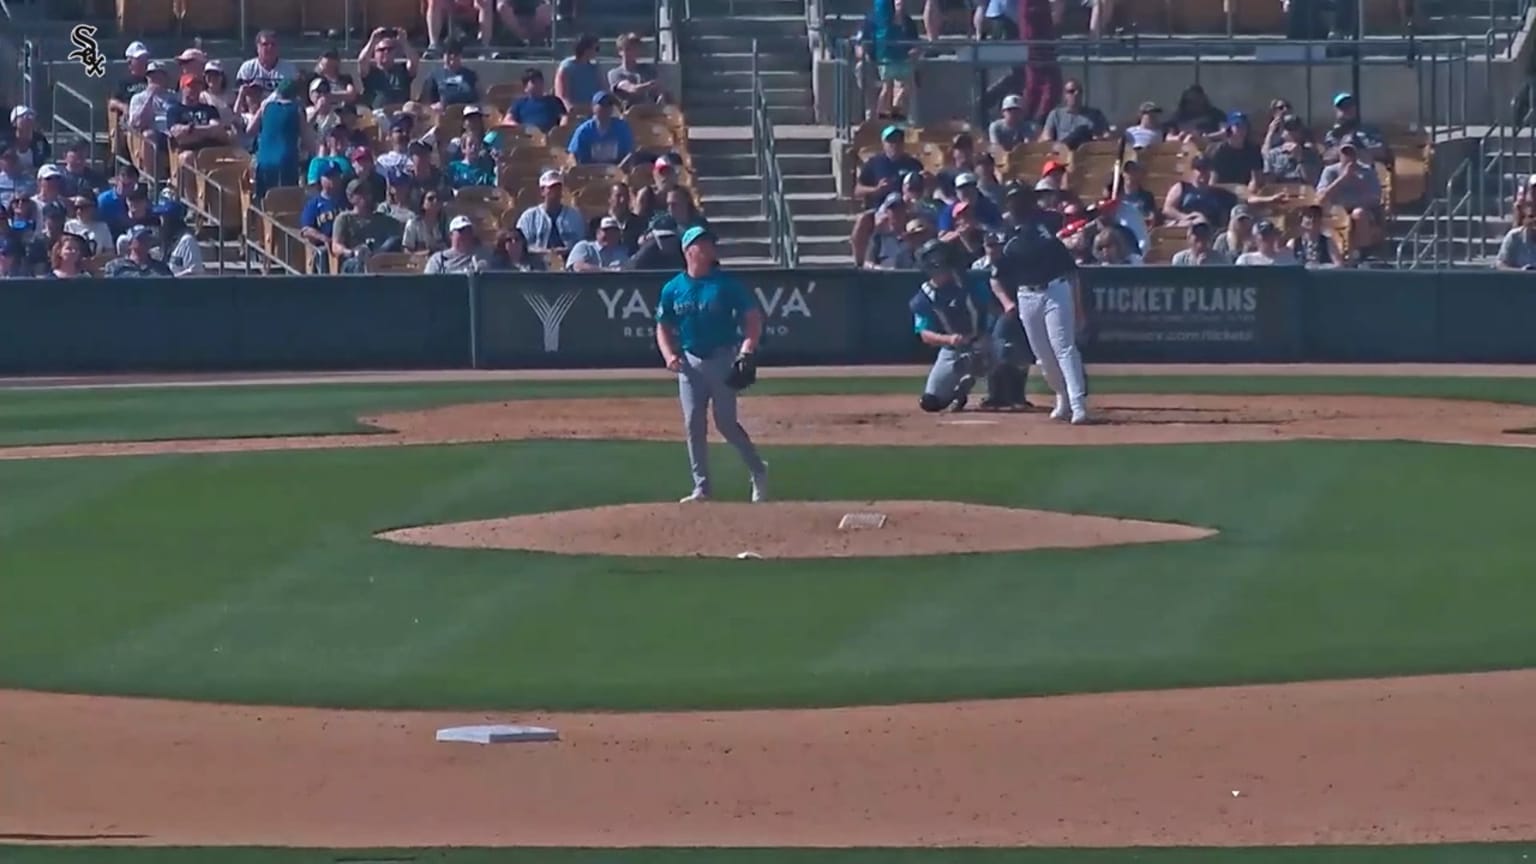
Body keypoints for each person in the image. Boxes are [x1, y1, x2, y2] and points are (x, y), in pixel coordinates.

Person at [654, 226, 770, 504]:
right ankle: (701, 487)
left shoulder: (725, 284)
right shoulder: (673, 288)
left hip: (721, 359)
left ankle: (758, 469)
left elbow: (752, 317)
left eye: (710, 243)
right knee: (693, 424)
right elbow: (662, 325)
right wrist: (668, 355)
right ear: (688, 250)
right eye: (702, 243)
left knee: (726, 423)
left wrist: (747, 348)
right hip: (689, 363)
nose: (708, 247)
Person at [989, 181, 1090, 424]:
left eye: (1021, 198)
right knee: (1042, 355)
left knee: (1063, 347)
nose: (1017, 204)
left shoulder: (1045, 225)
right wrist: (1005, 299)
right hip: (1027, 295)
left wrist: (1078, 308)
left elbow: (1071, 271)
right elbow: (996, 275)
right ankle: (1061, 396)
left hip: (1055, 289)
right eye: (1013, 199)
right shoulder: (1006, 234)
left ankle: (1078, 404)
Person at [909, 238, 992, 413]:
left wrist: (986, 338)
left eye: (942, 261)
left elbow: (993, 310)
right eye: (935, 263)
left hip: (983, 341)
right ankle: (958, 392)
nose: (940, 268)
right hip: (952, 350)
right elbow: (924, 333)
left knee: (1007, 351)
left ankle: (1002, 391)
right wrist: (949, 339)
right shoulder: (923, 297)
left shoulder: (969, 283)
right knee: (930, 402)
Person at [850, 125, 924, 266]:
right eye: (891, 141)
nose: (895, 144)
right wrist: (876, 189)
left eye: (898, 140)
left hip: (907, 209)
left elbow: (922, 189)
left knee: (919, 224)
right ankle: (859, 264)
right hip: (880, 208)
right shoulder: (874, 163)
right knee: (863, 221)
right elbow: (857, 191)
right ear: (883, 143)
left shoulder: (913, 164)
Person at [856, 0, 922, 120]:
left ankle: (898, 115)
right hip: (876, 61)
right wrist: (866, 55)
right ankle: (875, 116)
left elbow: (915, 45)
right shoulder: (871, 20)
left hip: (901, 61)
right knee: (882, 81)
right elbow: (859, 46)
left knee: (905, 82)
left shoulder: (908, 22)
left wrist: (914, 52)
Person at [249, 79, 310, 198]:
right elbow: (308, 141)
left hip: (264, 160)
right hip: (286, 161)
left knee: (264, 198)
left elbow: (250, 130)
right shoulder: (297, 110)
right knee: (285, 199)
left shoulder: (266, 107)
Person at [330, 179, 403, 272]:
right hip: (354, 260)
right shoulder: (344, 219)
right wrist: (352, 252)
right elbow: (336, 246)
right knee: (358, 264)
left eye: (366, 192)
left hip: (380, 259)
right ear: (350, 198)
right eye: (359, 193)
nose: (364, 196)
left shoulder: (382, 219)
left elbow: (395, 239)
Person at [516, 169, 586, 253]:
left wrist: (567, 250)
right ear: (542, 191)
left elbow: (582, 244)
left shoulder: (574, 216)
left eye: (558, 187)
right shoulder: (528, 217)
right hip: (536, 258)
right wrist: (543, 252)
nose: (555, 191)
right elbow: (520, 245)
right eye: (551, 188)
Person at [1162, 157, 1238, 228]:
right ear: (1192, 171)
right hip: (1186, 226)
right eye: (1199, 169)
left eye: (1205, 169)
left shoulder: (1219, 194)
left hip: (1210, 229)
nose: (1202, 173)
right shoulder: (1182, 187)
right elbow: (1167, 209)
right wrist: (1184, 217)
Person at [300, 163, 349, 269]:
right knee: (323, 252)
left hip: (347, 243)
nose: (334, 180)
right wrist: (324, 239)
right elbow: (306, 230)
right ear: (321, 180)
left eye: (336, 176)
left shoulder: (347, 201)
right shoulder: (314, 204)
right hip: (325, 246)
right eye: (329, 177)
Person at [358, 29, 420, 111]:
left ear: (395, 52)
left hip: (400, 114)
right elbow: (362, 60)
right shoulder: (370, 72)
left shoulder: (403, 70)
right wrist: (372, 40)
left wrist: (404, 42)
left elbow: (414, 61)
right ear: (374, 53)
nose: (386, 52)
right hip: (376, 114)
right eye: (381, 50)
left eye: (390, 49)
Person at [568, 92, 635, 167]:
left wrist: (620, 168)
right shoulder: (584, 131)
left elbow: (629, 154)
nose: (606, 108)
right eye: (602, 104)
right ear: (593, 107)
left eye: (609, 104)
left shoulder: (621, 128)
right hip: (589, 171)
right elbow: (573, 155)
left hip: (616, 170)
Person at [1040, 79, 1109, 149]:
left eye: (1079, 91)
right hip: (1062, 152)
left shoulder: (1095, 115)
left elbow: (1107, 136)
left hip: (1086, 152)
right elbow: (1047, 137)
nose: (1076, 94)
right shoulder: (1056, 114)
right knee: (1081, 131)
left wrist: (1100, 139)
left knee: (1083, 130)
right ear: (1065, 95)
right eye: (1071, 91)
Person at [1317, 137, 1383, 212]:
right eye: (1345, 153)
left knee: (1359, 213)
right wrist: (1342, 178)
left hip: (1361, 209)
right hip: (1336, 210)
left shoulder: (1367, 171)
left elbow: (1376, 198)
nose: (1348, 157)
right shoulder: (1330, 171)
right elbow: (1321, 198)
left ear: (1357, 155)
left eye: (1351, 153)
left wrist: (1357, 180)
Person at [1204, 112, 1263, 187]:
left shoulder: (1253, 150)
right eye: (1237, 126)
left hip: (1245, 189)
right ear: (1230, 128)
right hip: (1221, 189)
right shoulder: (1219, 150)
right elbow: (1213, 181)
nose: (1242, 129)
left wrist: (1250, 189)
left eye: (1244, 126)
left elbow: (1256, 178)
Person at [609, 33, 667, 109]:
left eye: (635, 49)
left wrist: (661, 96)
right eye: (628, 49)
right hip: (630, 111)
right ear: (620, 51)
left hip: (650, 110)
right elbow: (632, 89)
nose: (632, 52)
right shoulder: (615, 73)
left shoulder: (647, 69)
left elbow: (658, 90)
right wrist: (650, 84)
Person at [1264, 115, 1323, 185]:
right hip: (1280, 189)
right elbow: (1267, 181)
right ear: (1282, 133)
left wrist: (1300, 159)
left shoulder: (1312, 155)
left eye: (1295, 129)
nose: (1292, 133)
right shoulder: (1273, 154)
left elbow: (1313, 181)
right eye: (1289, 129)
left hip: (1303, 189)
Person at [236, 30, 301, 94]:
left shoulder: (289, 68)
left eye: (273, 44)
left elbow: (294, 95)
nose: (270, 47)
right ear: (257, 47)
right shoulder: (248, 68)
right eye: (265, 44)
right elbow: (240, 94)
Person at [506, 68, 567, 134]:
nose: (538, 84)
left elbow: (564, 118)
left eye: (540, 81)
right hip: (526, 136)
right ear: (525, 87)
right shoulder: (520, 104)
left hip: (550, 136)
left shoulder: (554, 101)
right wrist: (522, 129)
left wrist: (559, 131)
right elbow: (507, 121)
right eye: (534, 82)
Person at [424, 215, 491, 273]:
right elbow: (428, 282)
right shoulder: (438, 260)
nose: (466, 234)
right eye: (461, 230)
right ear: (451, 235)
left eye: (468, 230)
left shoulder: (483, 257)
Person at [425, 40, 481, 109]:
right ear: (443, 56)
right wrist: (433, 107)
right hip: (444, 112)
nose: (452, 59)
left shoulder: (471, 75)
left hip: (467, 111)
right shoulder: (434, 75)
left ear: (460, 56)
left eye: (456, 55)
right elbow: (425, 103)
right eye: (449, 54)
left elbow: (482, 99)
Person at [555, 34, 604, 110]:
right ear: (586, 49)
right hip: (575, 112)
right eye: (596, 49)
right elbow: (562, 97)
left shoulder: (595, 68)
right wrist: (572, 110)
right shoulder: (567, 67)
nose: (597, 52)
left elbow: (604, 90)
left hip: (595, 111)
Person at [590, 182, 643, 252]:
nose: (622, 200)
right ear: (609, 199)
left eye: (626, 197)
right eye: (618, 196)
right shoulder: (597, 223)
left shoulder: (639, 223)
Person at [103, 224, 173, 277]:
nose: (145, 241)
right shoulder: (115, 267)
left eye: (147, 238)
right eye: (140, 239)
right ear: (130, 243)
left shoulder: (161, 268)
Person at [566, 216, 630, 270]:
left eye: (613, 232)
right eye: (606, 231)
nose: (610, 235)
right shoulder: (585, 247)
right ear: (597, 232)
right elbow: (578, 267)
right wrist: (607, 271)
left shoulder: (623, 251)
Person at [3, 107, 50, 176]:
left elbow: (46, 161)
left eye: (31, 116)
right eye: (23, 116)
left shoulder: (40, 140)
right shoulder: (5, 141)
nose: (28, 119)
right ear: (14, 122)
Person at [402, 187, 449, 252]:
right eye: (430, 199)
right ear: (422, 205)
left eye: (438, 199)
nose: (435, 201)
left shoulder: (444, 224)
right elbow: (407, 250)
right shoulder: (413, 223)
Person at [1235, 220, 1299, 266]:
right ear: (1255, 238)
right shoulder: (1246, 260)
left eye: (1270, 234)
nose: (1267, 239)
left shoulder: (1287, 257)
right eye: (1263, 236)